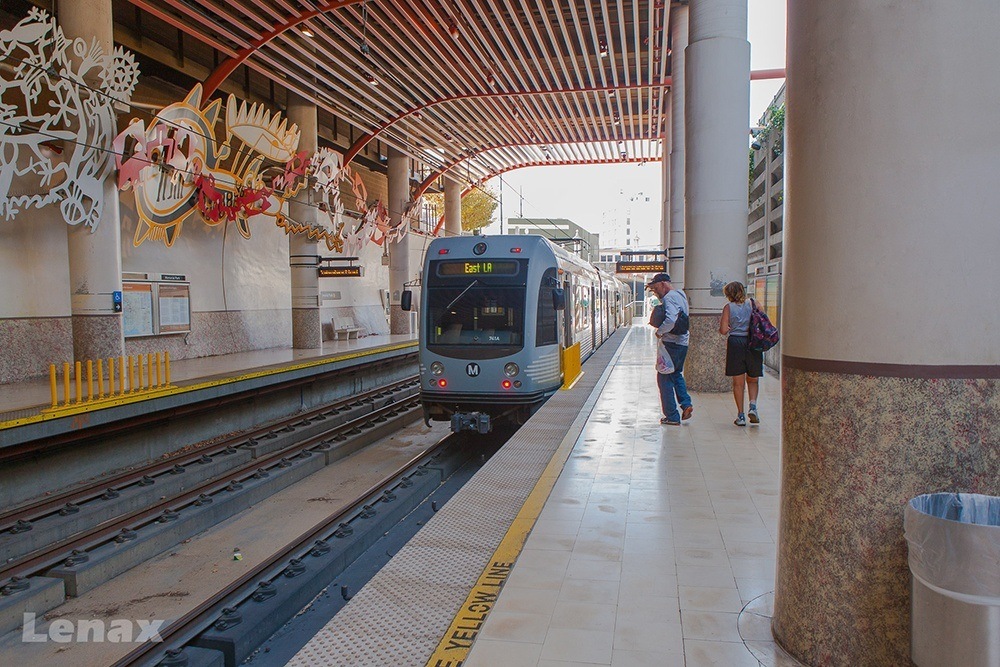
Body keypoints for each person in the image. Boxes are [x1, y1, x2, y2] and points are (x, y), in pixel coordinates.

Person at [646, 273, 693, 426]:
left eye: (656, 288)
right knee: (676, 374)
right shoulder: (681, 294)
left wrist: (660, 331)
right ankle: (686, 404)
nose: (655, 292)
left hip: (671, 344)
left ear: (664, 283)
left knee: (664, 378)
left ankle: (672, 416)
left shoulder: (669, 297)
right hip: (682, 343)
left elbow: (671, 319)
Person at [719, 281, 763, 426]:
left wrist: (732, 325)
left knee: (738, 383)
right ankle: (753, 407)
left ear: (729, 294)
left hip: (736, 343)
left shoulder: (728, 308)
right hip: (753, 343)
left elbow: (724, 330)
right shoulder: (753, 303)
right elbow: (762, 320)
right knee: (753, 379)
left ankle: (741, 416)